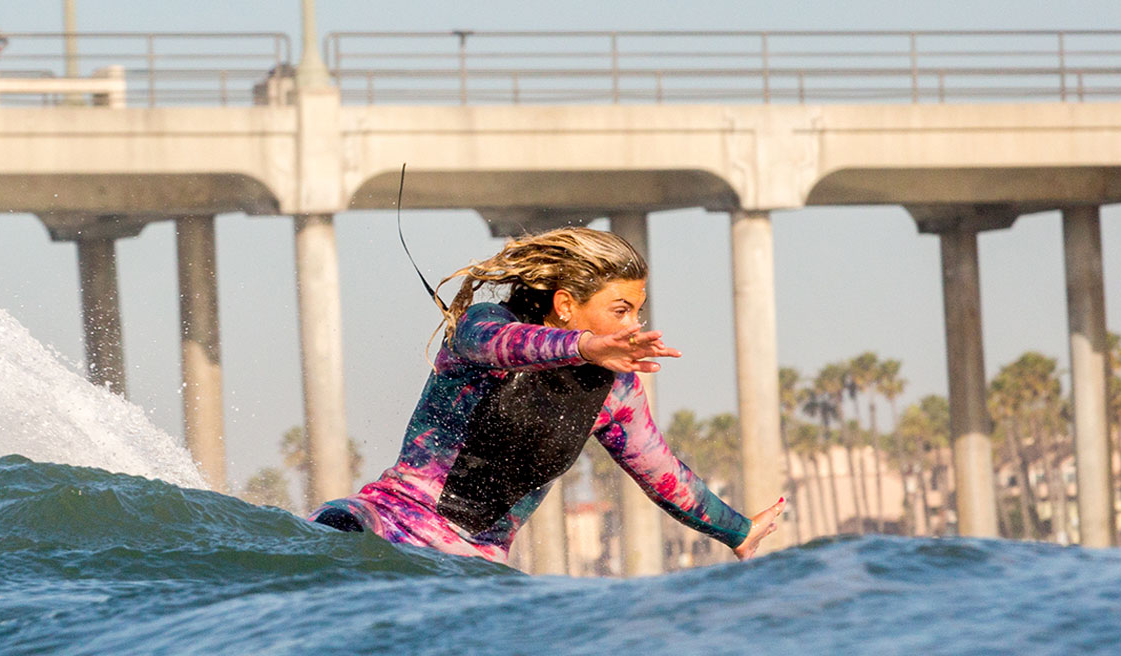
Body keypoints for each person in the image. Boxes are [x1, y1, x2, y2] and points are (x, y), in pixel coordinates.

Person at [311, 226, 784, 566]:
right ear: (565, 305)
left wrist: (737, 531)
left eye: (637, 312)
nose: (633, 325)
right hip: (383, 522)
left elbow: (663, 474)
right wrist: (585, 346)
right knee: (339, 527)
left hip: (472, 563)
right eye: (620, 311)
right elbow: (510, 347)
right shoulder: (484, 327)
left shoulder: (615, 391)